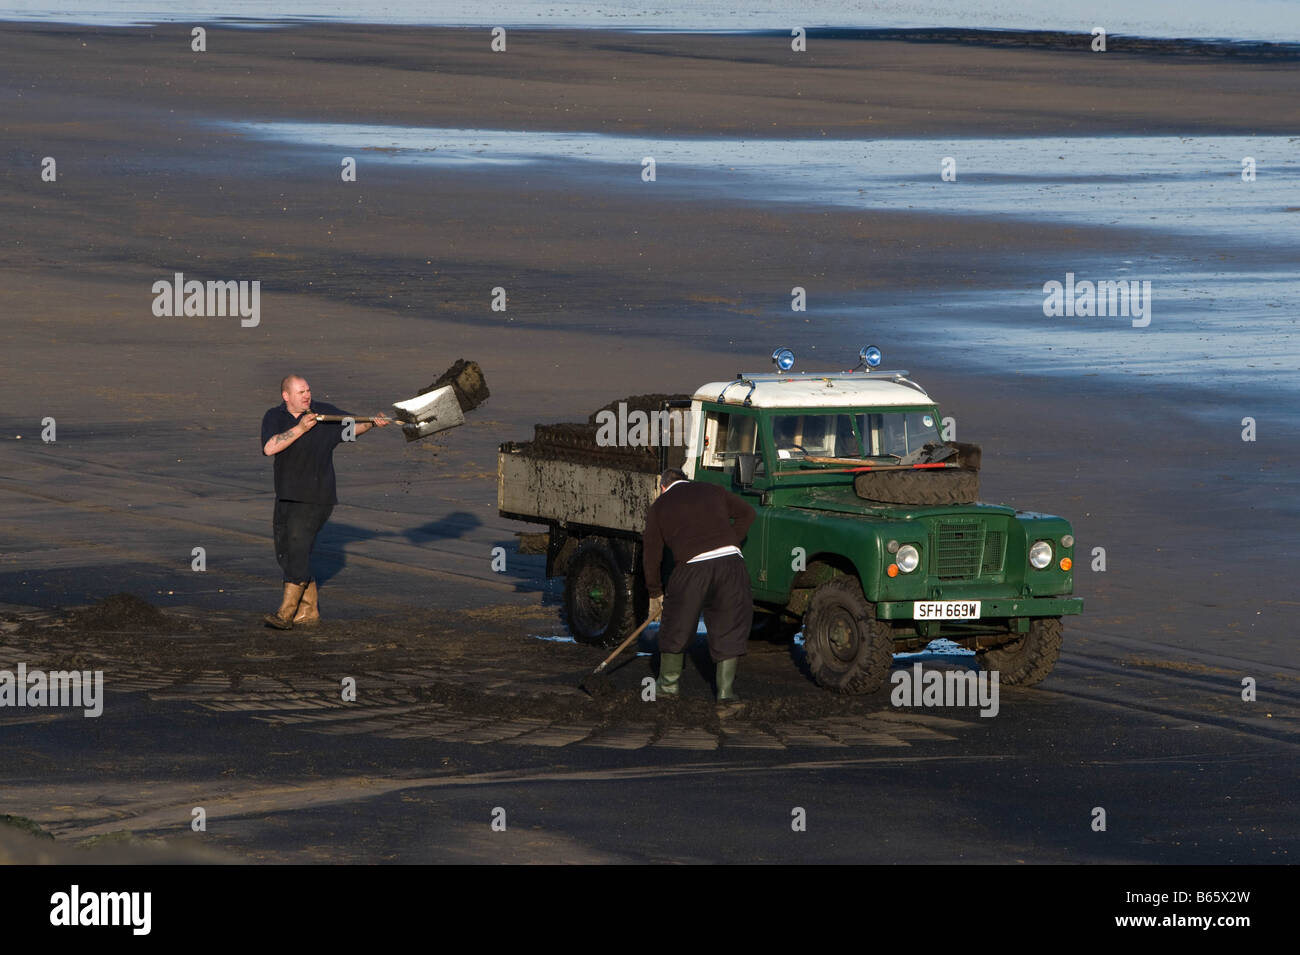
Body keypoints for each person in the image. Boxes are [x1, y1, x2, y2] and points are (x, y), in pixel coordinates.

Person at [260, 374, 389, 629]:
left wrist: (372, 424)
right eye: (300, 392)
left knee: (297, 548)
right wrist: (301, 428)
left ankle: (285, 614)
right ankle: (308, 612)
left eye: (308, 390)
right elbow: (269, 448)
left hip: (317, 497)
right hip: (286, 495)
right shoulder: (274, 416)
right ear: (286, 396)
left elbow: (351, 429)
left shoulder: (325, 413)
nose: (307, 395)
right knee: (286, 553)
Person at [642, 467, 756, 715]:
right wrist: (731, 541)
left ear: (663, 487)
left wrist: (655, 592)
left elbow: (651, 554)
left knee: (677, 624)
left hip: (692, 567)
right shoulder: (712, 489)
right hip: (732, 564)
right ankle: (726, 695)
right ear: (685, 480)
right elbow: (748, 513)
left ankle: (668, 687)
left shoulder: (660, 507)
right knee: (730, 625)